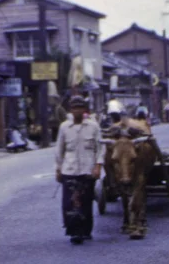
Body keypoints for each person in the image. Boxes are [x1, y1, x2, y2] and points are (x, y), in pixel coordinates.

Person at [55, 95, 106, 245]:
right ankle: (74, 232)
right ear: (70, 110)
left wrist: (98, 166)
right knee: (69, 202)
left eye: (80, 107)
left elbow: (100, 148)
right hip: (69, 170)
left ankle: (86, 230)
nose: (77, 111)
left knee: (86, 201)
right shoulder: (64, 127)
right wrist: (58, 169)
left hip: (87, 170)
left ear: (84, 110)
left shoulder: (93, 126)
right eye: (74, 108)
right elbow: (59, 149)